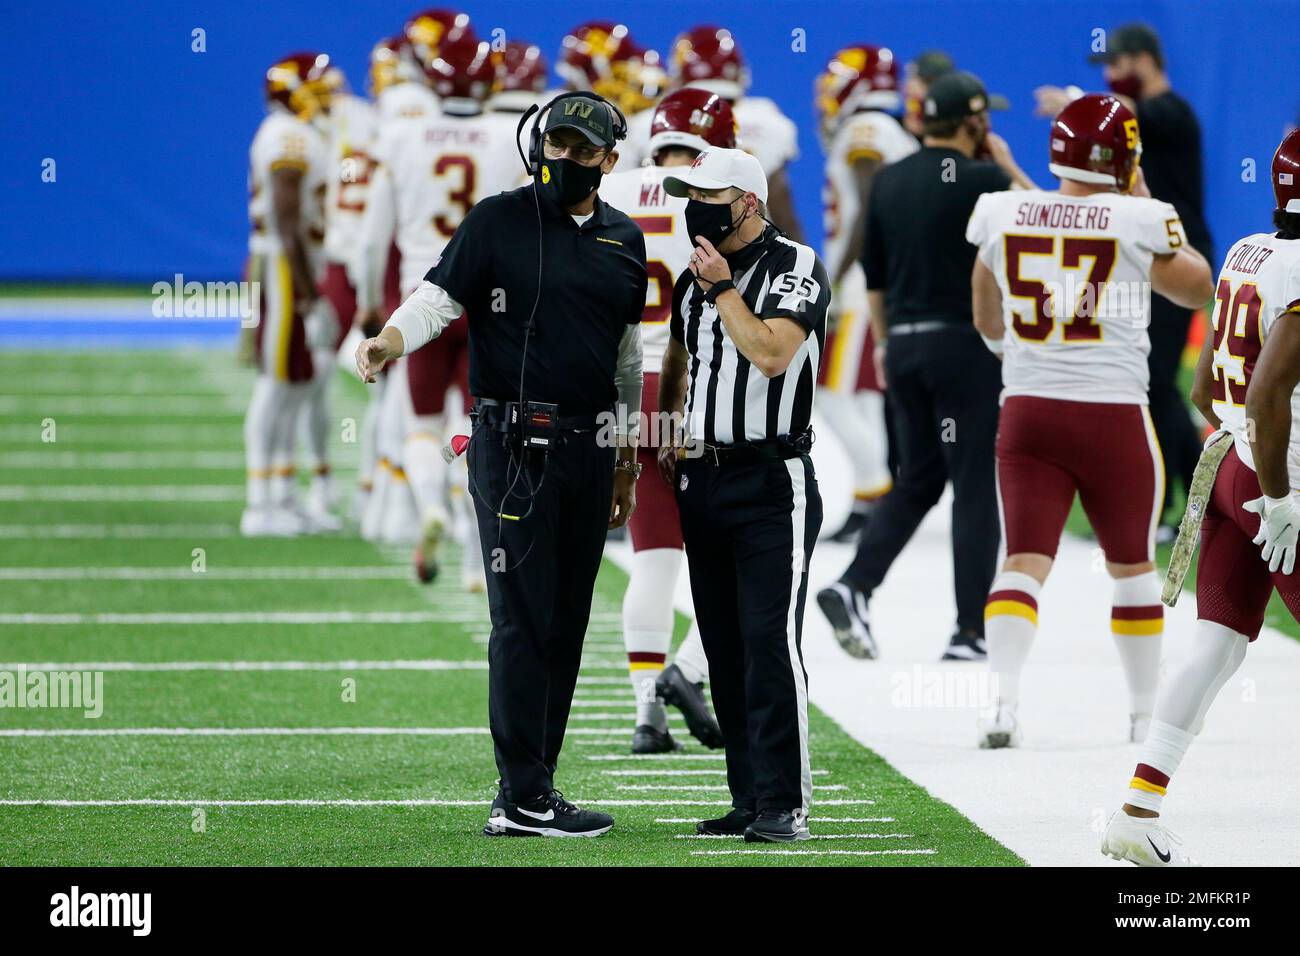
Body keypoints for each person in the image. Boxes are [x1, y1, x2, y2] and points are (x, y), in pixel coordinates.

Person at [355, 91, 647, 837]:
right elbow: (438, 297)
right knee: (521, 617)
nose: (567, 159)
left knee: (568, 620)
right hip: (512, 441)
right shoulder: (497, 218)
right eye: (558, 144)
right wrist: (389, 340)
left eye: (584, 151)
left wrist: (624, 458)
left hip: (588, 443)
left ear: (610, 161)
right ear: (537, 144)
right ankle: (521, 795)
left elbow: (625, 355)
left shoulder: (624, 239)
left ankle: (533, 787)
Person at [968, 94, 1212, 750]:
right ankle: (1140, 715)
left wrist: (1021, 357)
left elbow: (987, 317)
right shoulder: (1142, 216)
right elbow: (1198, 286)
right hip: (1113, 416)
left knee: (1022, 558)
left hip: (1028, 410)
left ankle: (1002, 702)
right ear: (1127, 156)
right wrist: (1148, 199)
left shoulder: (1001, 209)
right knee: (1131, 563)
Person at [1100, 130, 1300, 867]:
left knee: (1215, 648)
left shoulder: (1250, 250)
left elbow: (1204, 382)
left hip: (1221, 462)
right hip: (1276, 482)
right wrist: (1279, 497)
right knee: (1216, 649)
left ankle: (1136, 808)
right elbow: (1271, 392)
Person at [816, 71, 1032, 661]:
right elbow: (1047, 227)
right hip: (963, 347)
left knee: (917, 478)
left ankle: (853, 584)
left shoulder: (889, 180)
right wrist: (1008, 166)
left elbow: (876, 278)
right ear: (976, 122)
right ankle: (969, 630)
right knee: (972, 487)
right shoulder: (988, 180)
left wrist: (886, 346)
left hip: (904, 347)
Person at [657, 147, 830, 843]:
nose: (695, 205)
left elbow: (771, 353)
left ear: (749, 203)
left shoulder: (797, 266)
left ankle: (785, 800)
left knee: (768, 639)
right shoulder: (688, 277)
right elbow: (677, 351)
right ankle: (749, 794)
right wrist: (669, 428)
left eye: (709, 193)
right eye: (688, 193)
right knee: (725, 645)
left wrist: (724, 288)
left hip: (771, 478)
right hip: (705, 477)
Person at [356, 22, 523, 586]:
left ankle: (430, 506)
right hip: (491, 302)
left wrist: (368, 303)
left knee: (421, 425)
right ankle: (478, 554)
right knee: (484, 425)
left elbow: (373, 238)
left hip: (422, 300)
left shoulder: (403, 137)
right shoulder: (509, 137)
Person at [1035, 24, 1214, 539]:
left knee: (1158, 381)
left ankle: (1192, 504)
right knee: (1147, 381)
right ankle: (1170, 507)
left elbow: (1126, 115)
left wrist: (1072, 103)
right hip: (1146, 259)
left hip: (1179, 260)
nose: (1111, 76)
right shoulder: (1145, 118)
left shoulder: (1170, 112)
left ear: (1144, 60)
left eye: (1117, 65)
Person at [599, 88, 733, 755]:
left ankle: (647, 712)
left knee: (651, 559)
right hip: (692, 393)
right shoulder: (715, 197)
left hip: (622, 392)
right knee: (735, 555)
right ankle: (690, 671)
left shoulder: (612, 190)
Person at [814, 43, 917, 539]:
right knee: (864, 397)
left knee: (832, 394)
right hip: (876, 280)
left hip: (857, 286)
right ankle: (874, 498)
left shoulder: (867, 131)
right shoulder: (885, 128)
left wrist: (836, 279)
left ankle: (873, 496)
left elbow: (869, 212)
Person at [242, 51, 337, 538]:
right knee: (277, 383)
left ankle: (282, 492)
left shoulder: (297, 132)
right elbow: (285, 221)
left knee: (297, 383)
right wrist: (308, 297)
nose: (327, 94)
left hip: (290, 265)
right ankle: (261, 502)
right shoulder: (289, 136)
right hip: (283, 266)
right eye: (317, 85)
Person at [651, 25, 804, 241]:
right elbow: (782, 212)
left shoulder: (659, 118)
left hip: (671, 245)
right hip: (750, 252)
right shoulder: (769, 120)